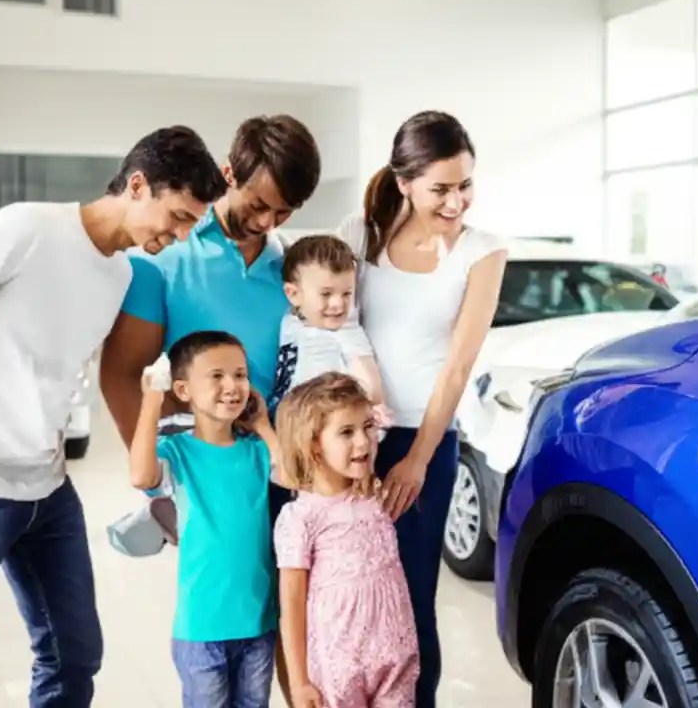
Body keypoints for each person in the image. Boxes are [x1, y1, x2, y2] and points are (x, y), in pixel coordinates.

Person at [0, 125, 227, 708]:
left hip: (46, 489)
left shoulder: (119, 274)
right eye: (179, 215)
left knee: (75, 657)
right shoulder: (26, 228)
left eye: (193, 223)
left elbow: (56, 366)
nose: (181, 233)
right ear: (137, 184)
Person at [100, 113, 322, 703]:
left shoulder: (290, 271)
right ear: (229, 174)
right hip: (205, 477)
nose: (269, 222)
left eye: (285, 212)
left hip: (279, 468)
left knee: (294, 632)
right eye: (259, 203)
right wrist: (156, 491)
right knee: (223, 631)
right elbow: (122, 373)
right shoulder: (166, 258)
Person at [337, 110, 507, 707]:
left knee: (410, 600)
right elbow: (335, 329)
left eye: (465, 184)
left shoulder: (482, 252)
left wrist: (416, 461)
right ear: (403, 180)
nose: (456, 201)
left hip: (424, 443)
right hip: (350, 439)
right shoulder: (359, 235)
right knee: (349, 595)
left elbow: (457, 367)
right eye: (441, 188)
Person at [129, 331, 281, 708]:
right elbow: (142, 477)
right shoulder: (176, 451)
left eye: (240, 375)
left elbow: (292, 478)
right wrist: (151, 400)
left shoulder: (258, 450)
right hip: (201, 629)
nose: (232, 386)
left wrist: (263, 426)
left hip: (259, 624)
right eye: (217, 376)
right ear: (182, 390)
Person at [273, 373, 419, 708]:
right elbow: (291, 605)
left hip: (395, 657)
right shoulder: (301, 518)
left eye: (368, 426)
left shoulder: (377, 495)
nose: (364, 442)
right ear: (312, 444)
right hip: (338, 666)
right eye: (346, 432)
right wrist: (299, 683)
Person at [272, 234, 391, 424]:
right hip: (294, 428)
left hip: (332, 428)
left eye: (346, 294)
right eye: (326, 294)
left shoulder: (346, 331)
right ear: (293, 294)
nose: (338, 304)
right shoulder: (290, 322)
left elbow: (369, 381)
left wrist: (371, 406)